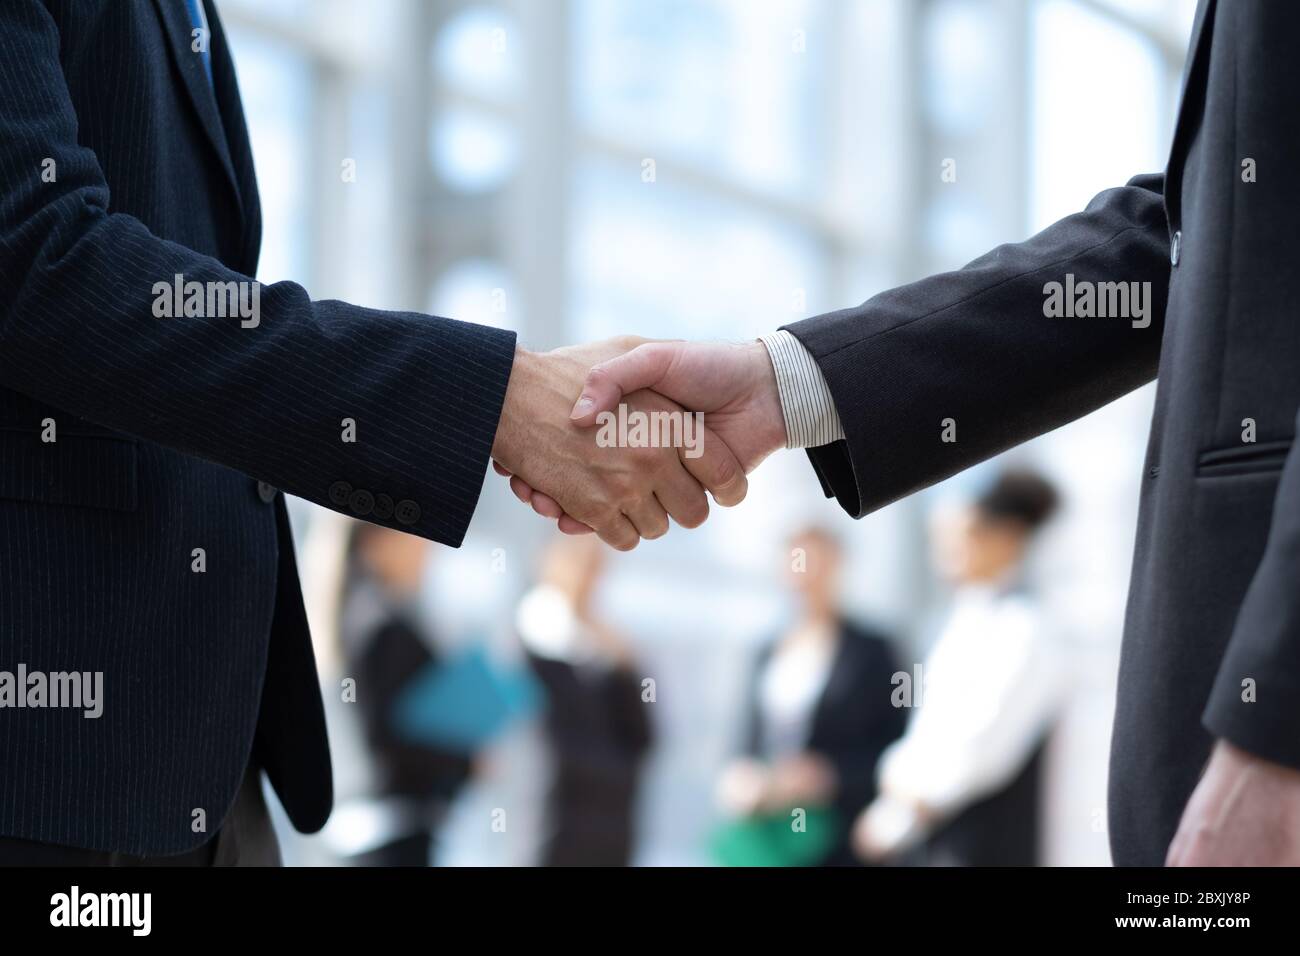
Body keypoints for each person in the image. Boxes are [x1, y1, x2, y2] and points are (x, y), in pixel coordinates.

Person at [515, 1, 1300, 866]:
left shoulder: (907, 643)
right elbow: (1179, 239)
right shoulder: (783, 645)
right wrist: (786, 384)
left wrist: (1276, 730)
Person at [0, 1, 742, 864]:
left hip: (200, 769)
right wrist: (491, 402)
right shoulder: (380, 620)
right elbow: (34, 261)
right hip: (57, 763)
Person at [853, 470, 1062, 866]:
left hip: (984, 843)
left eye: (961, 537)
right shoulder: (959, 619)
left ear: (1008, 537)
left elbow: (981, 749)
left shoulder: (1026, 627)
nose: (945, 553)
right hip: (939, 841)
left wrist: (898, 810)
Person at [717, 527, 905, 867]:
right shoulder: (767, 651)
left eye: (817, 563)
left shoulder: (873, 651)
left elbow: (896, 743)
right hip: (771, 832)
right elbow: (745, 740)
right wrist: (743, 779)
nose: (805, 576)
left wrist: (829, 776)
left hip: (842, 835)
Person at [335, 522, 475, 867]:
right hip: (390, 832)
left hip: (383, 827)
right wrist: (465, 756)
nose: (428, 554)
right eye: (417, 542)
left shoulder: (368, 616)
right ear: (378, 543)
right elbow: (390, 735)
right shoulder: (381, 627)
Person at [514, 536, 653, 866]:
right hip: (553, 826)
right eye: (579, 562)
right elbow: (550, 743)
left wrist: (626, 664)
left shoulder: (610, 650)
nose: (589, 576)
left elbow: (645, 739)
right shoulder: (528, 641)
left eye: (596, 566)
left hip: (610, 831)